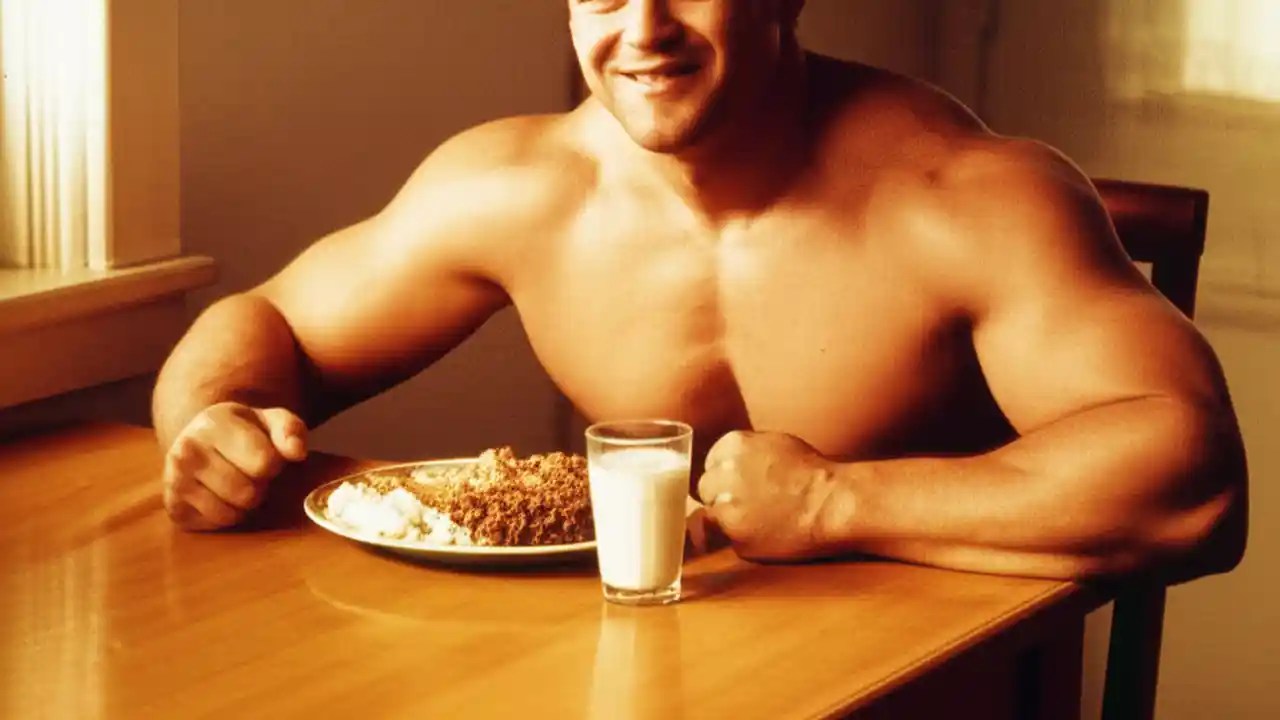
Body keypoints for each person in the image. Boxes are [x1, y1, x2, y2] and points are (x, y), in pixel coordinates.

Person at [153, 0, 1247, 585]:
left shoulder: (961, 195)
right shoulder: (522, 188)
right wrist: (215, 422)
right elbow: (263, 322)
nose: (642, 30)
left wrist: (835, 504)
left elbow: (1187, 468)